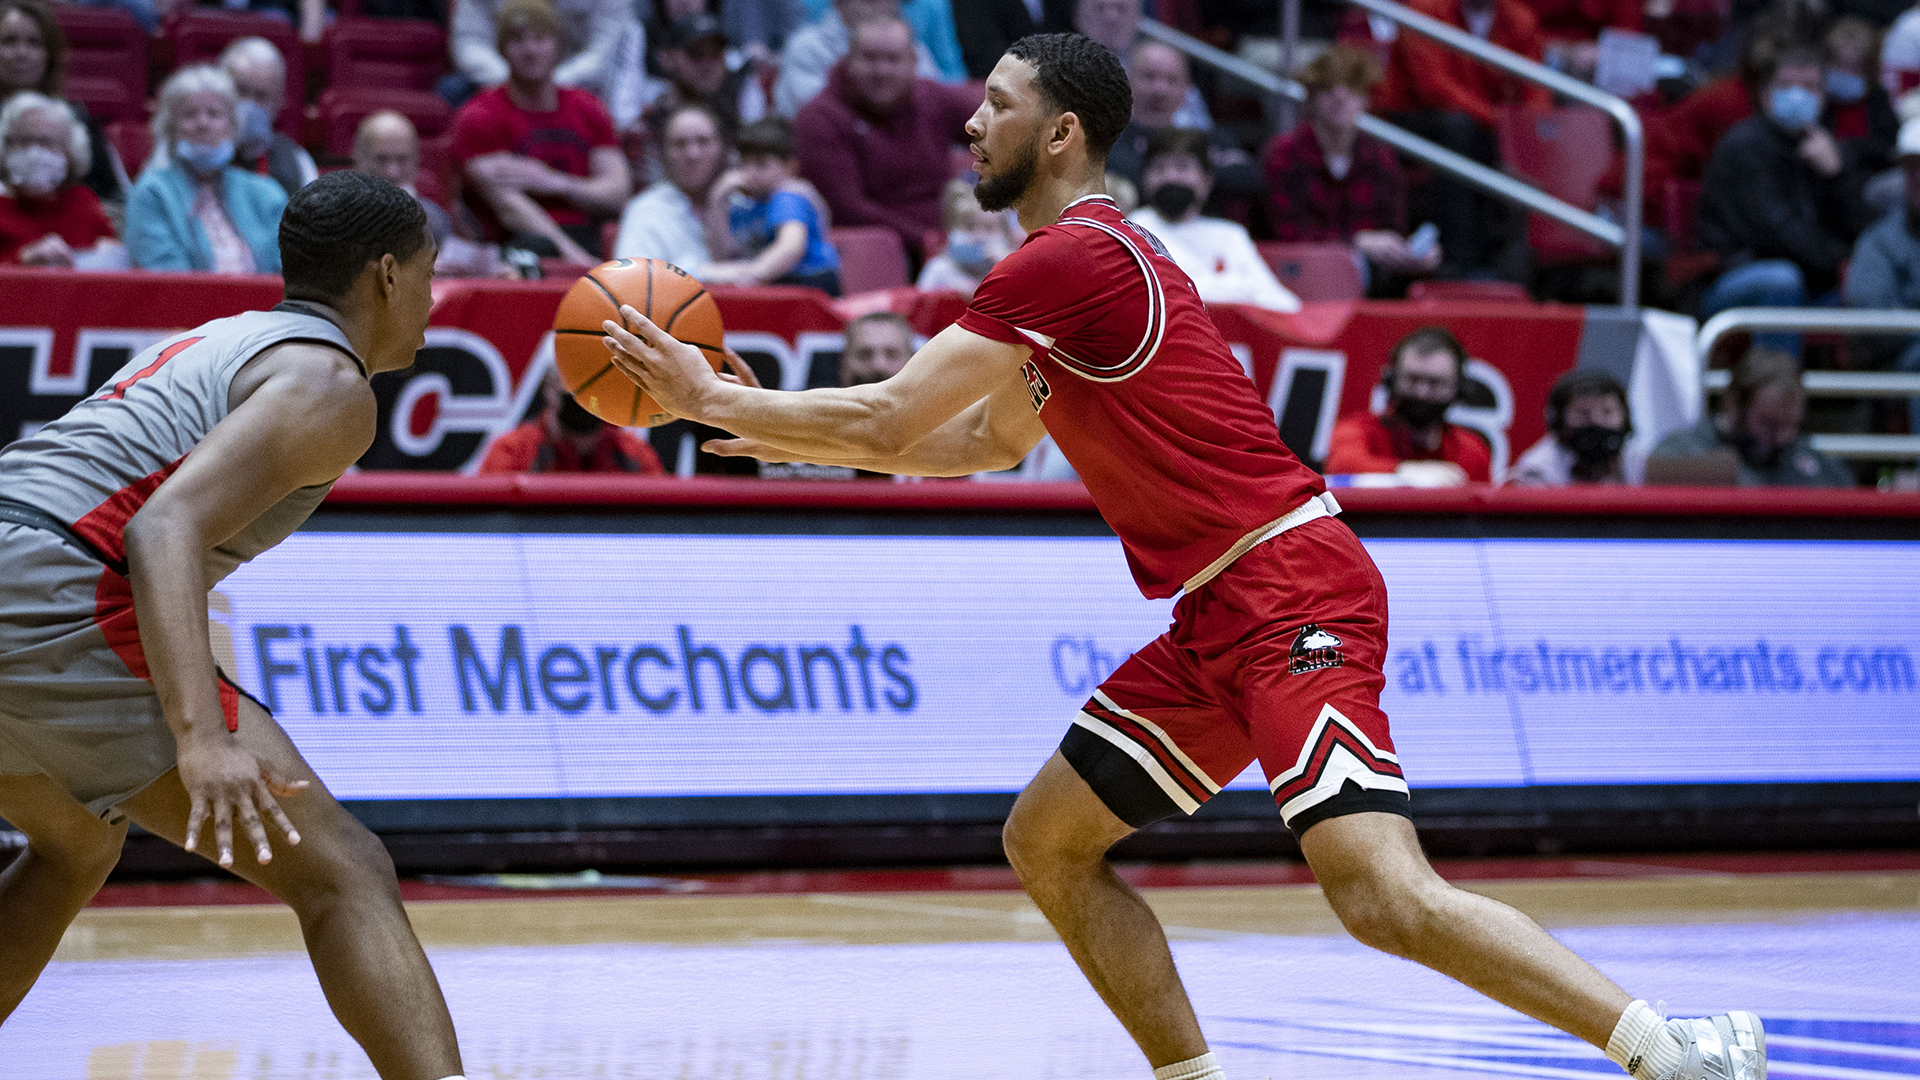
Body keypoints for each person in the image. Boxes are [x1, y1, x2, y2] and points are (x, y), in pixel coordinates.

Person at [596, 35, 1769, 1080]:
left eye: (996, 104)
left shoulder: (1070, 261)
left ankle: (1673, 1053)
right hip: (1215, 614)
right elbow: (975, 443)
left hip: (1292, 588)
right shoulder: (1076, 274)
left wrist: (713, 400)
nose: (970, 122)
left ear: (1060, 132)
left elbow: (892, 417)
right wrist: (753, 424)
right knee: (1049, 842)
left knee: (1379, 894)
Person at [0, 171, 468, 1080]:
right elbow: (161, 530)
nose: (432, 296)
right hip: (54, 587)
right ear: (386, 274)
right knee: (344, 871)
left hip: (19, 554)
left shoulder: (223, 336)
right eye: (428, 271)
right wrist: (201, 739)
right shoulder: (331, 383)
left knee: (74, 843)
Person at [1373, 0, 1550, 275]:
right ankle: (1459, 262)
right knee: (1458, 129)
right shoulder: (1424, 10)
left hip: (1485, 125)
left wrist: (1525, 127)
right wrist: (1499, 122)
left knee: (1539, 135)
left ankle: (1524, 269)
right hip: (1412, 118)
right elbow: (1432, 86)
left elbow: (1536, 89)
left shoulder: (1519, 19)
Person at [1697, 40, 1872, 317]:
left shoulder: (1823, 146)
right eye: (1787, 85)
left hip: (1812, 276)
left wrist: (1836, 176)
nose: (1797, 96)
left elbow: (1862, 230)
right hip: (1734, 276)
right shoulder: (1745, 146)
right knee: (1782, 279)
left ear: (1823, 97)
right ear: (1766, 93)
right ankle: (1776, 353)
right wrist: (1842, 260)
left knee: (1871, 289)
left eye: (1809, 87)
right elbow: (1777, 235)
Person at [450, 0, 632, 265]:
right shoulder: (479, 115)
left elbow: (617, 192)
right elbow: (509, 207)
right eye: (518, 40)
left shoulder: (588, 107)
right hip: (516, 245)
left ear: (558, 46)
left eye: (540, 39)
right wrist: (576, 258)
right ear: (502, 49)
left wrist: (553, 181)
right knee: (534, 247)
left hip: (589, 236)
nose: (531, 50)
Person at [794, 15, 978, 262]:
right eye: (870, 58)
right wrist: (928, 241)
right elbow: (846, 209)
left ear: (913, 62)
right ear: (849, 60)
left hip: (953, 242)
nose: (882, 70)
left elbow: (1004, 132)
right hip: (876, 256)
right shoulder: (820, 118)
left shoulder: (932, 98)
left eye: (893, 59)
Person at [1263, 46, 1440, 292]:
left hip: (1371, 284)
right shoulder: (1284, 153)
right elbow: (1288, 235)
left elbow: (1393, 230)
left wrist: (1409, 254)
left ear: (1365, 99)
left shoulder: (1381, 156)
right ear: (1311, 97)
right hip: (1297, 281)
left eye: (1352, 85)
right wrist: (1356, 242)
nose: (1340, 95)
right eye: (1328, 86)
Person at [125, 66, 286, 274]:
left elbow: (287, 272)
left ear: (232, 126)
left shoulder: (267, 194)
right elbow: (166, 278)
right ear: (171, 128)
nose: (203, 123)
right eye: (189, 114)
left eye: (214, 114)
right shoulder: (152, 192)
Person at [1127, 128, 1300, 312]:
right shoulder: (1134, 229)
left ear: (1207, 181)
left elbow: (1282, 302)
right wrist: (1240, 287)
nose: (1170, 177)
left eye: (1182, 167)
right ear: (1144, 179)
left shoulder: (1231, 234)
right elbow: (1173, 292)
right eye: (1159, 168)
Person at [1648, 347, 1853, 485]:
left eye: (1792, 425)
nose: (1783, 438)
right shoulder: (1682, 455)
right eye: (1769, 424)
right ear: (1733, 405)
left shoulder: (1807, 461)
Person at [1324, 326, 1493, 483]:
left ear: (1459, 389)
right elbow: (1341, 466)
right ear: (1391, 379)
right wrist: (1403, 472)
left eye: (1435, 383)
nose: (1422, 393)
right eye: (1412, 379)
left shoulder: (1471, 452)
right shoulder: (1357, 431)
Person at [1103, 41, 1258, 210]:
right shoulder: (1104, 138)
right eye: (1149, 77)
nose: (1160, 89)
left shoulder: (1212, 137)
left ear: (1187, 89)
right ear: (1127, 81)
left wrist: (1153, 170)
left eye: (1172, 80)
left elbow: (1249, 178)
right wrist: (1200, 165)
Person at [0, 0, 122, 204]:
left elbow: (112, 199)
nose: (21, 53)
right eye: (8, 42)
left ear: (50, 55)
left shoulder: (77, 119)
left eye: (34, 43)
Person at [702, 117, 842, 293]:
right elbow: (721, 256)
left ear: (789, 167)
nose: (750, 172)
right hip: (775, 284)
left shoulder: (789, 195)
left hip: (810, 283)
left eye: (761, 164)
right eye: (744, 163)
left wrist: (751, 274)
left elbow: (790, 248)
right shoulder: (744, 205)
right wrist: (717, 198)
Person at [1845, 115, 1920, 436]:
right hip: (1901, 364)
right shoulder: (1880, 241)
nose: (1918, 177)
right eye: (1911, 168)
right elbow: (1871, 315)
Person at [448, 0, 641, 112]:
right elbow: (469, 42)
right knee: (451, 90)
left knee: (616, 97)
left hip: (581, 81)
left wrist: (547, 86)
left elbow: (603, 52)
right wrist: (515, 83)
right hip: (499, 78)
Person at [0, 92, 122, 268]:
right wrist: (21, 262)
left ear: (70, 152)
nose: (35, 152)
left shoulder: (83, 202)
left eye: (46, 142)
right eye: (24, 141)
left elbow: (114, 264)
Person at [773, 0, 943, 117]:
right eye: (869, 1)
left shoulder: (915, 49)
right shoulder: (806, 47)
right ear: (839, 3)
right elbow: (815, 113)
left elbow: (931, 107)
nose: (880, 7)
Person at [480, 370, 668, 472]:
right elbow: (492, 524)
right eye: (575, 397)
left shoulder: (633, 456)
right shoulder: (514, 451)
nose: (584, 407)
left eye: (592, 398)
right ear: (549, 391)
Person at [613, 102, 725, 272]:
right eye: (680, 144)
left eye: (703, 141)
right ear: (663, 153)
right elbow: (631, 279)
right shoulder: (644, 210)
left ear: (722, 148)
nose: (692, 154)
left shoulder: (743, 202)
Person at [219, 37, 319, 199]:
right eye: (241, 91)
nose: (249, 105)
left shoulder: (296, 160)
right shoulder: (195, 151)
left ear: (277, 104)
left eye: (261, 96)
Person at [1510, 369, 1636, 485]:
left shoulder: (1638, 461)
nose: (1597, 421)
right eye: (1583, 413)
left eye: (1607, 412)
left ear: (1625, 416)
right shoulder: (1538, 469)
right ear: (1559, 420)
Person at [916, 176, 1021, 296]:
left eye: (989, 228)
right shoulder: (938, 270)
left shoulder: (1011, 269)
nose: (979, 236)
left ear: (1007, 235)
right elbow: (918, 304)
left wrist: (1008, 267)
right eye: (969, 227)